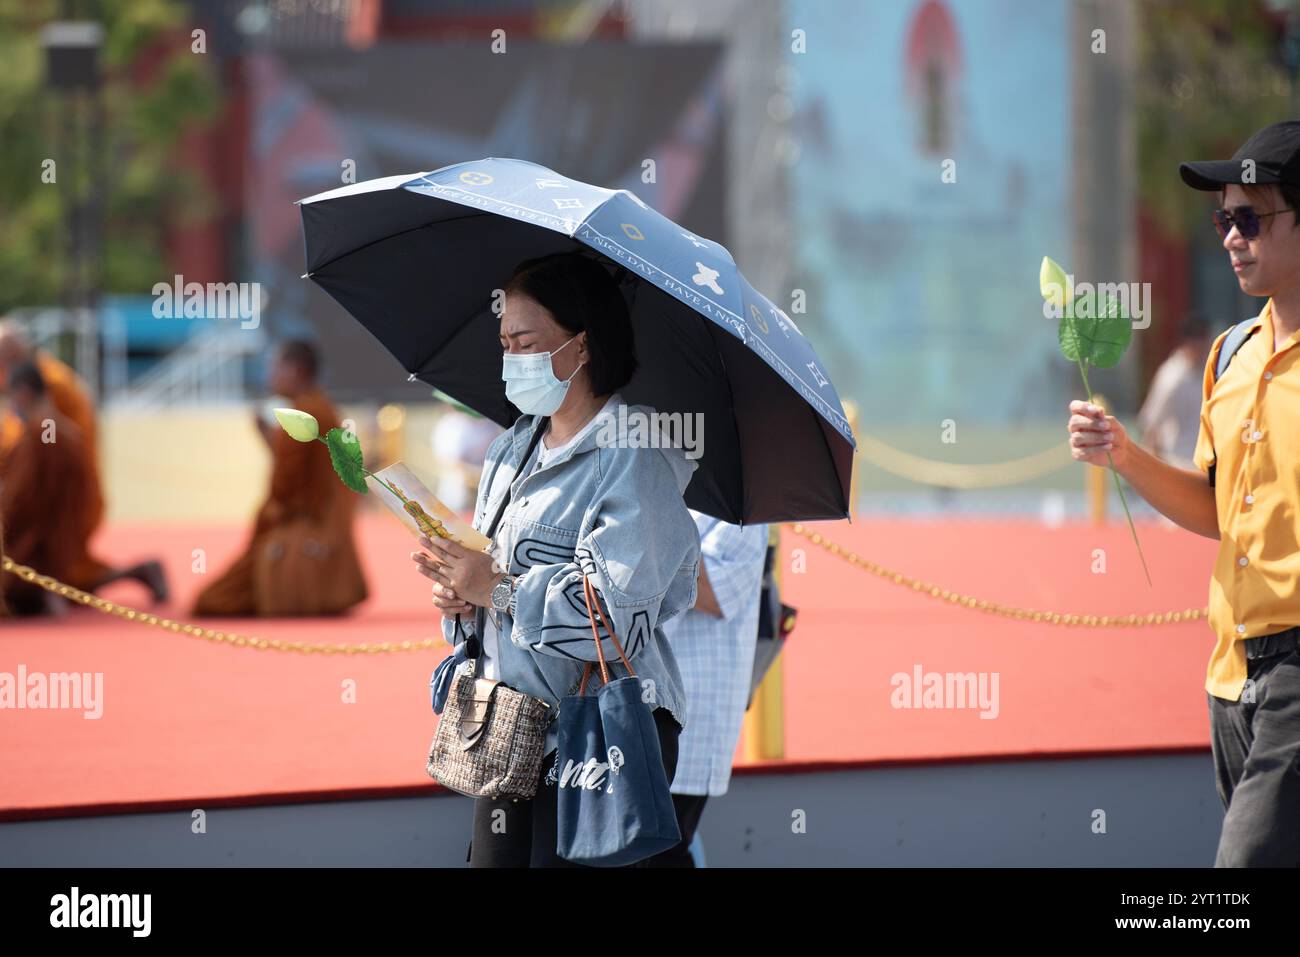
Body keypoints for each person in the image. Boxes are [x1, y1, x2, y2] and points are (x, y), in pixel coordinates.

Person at [410, 252, 701, 868]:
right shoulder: (512, 448)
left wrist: (499, 591)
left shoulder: (636, 455)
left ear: (580, 346)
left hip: (592, 731)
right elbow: (489, 577)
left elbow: (611, 617)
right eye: (504, 341)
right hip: (508, 728)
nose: (511, 356)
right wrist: (459, 596)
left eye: (526, 341)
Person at [1067, 120, 1300, 867]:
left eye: (1251, 217)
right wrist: (1125, 455)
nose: (1231, 236)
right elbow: (1217, 510)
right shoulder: (1229, 354)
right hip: (1229, 670)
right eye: (1225, 218)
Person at [193, 340, 368, 617]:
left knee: (210, 601)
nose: (269, 375)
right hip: (326, 532)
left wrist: (269, 514)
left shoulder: (301, 416)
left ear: (296, 370)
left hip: (299, 531)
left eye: (275, 367)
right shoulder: (324, 408)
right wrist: (270, 438)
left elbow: (284, 488)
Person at [0, 319, 166, 601]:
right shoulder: (40, 385)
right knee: (66, 569)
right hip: (59, 490)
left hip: (62, 495)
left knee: (37, 564)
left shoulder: (51, 388)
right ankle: (137, 573)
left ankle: (46, 594)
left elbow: (43, 448)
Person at [655, 510, 768, 867]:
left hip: (692, 711)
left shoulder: (740, 503)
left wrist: (648, 530)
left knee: (665, 848)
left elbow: (716, 593)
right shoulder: (648, 480)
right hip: (636, 700)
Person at [1138, 313, 1213, 469]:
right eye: (1196, 343)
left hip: (1208, 460)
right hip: (1179, 461)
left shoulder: (1212, 369)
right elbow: (1151, 425)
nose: (1201, 349)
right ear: (1186, 343)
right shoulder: (1172, 376)